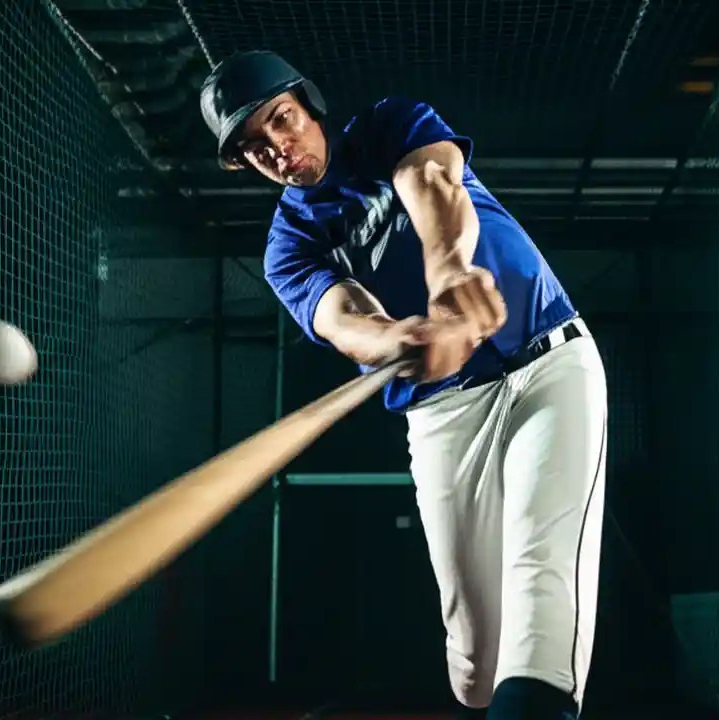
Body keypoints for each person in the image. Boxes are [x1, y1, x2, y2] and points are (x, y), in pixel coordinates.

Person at [199, 51, 609, 720]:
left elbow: (433, 184)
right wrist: (400, 342)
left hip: (545, 366)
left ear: (308, 105)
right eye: (253, 147)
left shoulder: (390, 126)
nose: (278, 147)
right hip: (443, 411)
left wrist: (450, 275)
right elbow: (343, 318)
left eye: (282, 120)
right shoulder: (288, 243)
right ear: (244, 164)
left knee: (540, 602)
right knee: (477, 669)